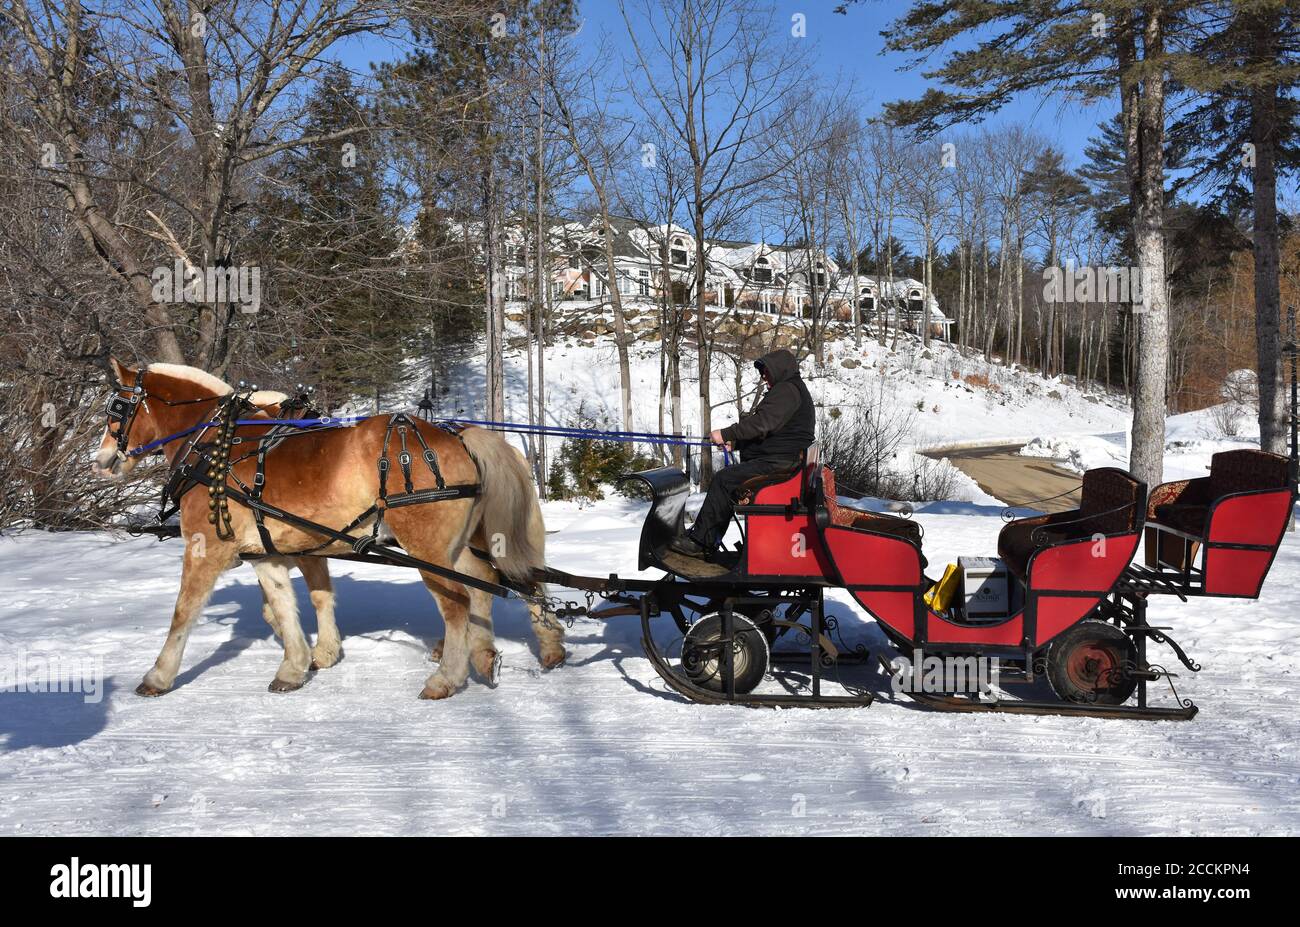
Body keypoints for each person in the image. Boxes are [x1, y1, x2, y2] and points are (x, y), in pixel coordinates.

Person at [671, 348, 815, 558]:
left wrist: (727, 433)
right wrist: (736, 442)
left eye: (767, 371)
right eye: (762, 371)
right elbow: (772, 430)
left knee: (724, 480)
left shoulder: (787, 390)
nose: (763, 376)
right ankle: (707, 539)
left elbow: (762, 424)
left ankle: (702, 543)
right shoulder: (792, 389)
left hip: (780, 463)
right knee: (728, 479)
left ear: (779, 370)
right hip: (784, 460)